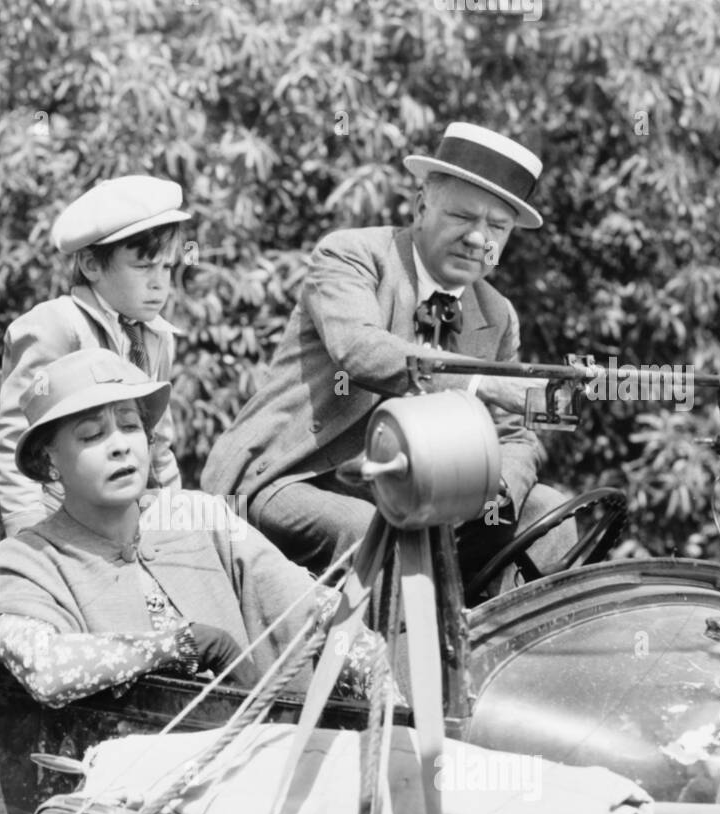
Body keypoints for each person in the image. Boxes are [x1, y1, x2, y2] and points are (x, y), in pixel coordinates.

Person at [201, 122, 575, 596]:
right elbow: (360, 350)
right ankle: (385, 669)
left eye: (497, 227)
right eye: (462, 217)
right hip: (293, 480)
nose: (479, 239)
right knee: (375, 534)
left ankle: (496, 657)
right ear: (421, 206)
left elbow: (516, 434)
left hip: (418, 497)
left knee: (551, 513)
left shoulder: (497, 314)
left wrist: (495, 488)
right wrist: (478, 383)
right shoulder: (352, 255)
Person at [0, 350, 382, 708]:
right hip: (115, 787)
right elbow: (45, 667)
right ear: (50, 461)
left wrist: (383, 690)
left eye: (130, 427)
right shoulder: (19, 562)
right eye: (91, 435)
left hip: (256, 756)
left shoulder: (196, 514)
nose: (121, 445)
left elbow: (314, 607)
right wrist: (179, 646)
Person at [0, 175, 188, 536]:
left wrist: (178, 521)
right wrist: (27, 539)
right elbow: (14, 441)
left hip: (119, 515)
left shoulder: (158, 336)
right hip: (49, 519)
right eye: (143, 267)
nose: (159, 282)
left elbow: (158, 446)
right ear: (92, 265)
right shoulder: (55, 326)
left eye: (167, 267)